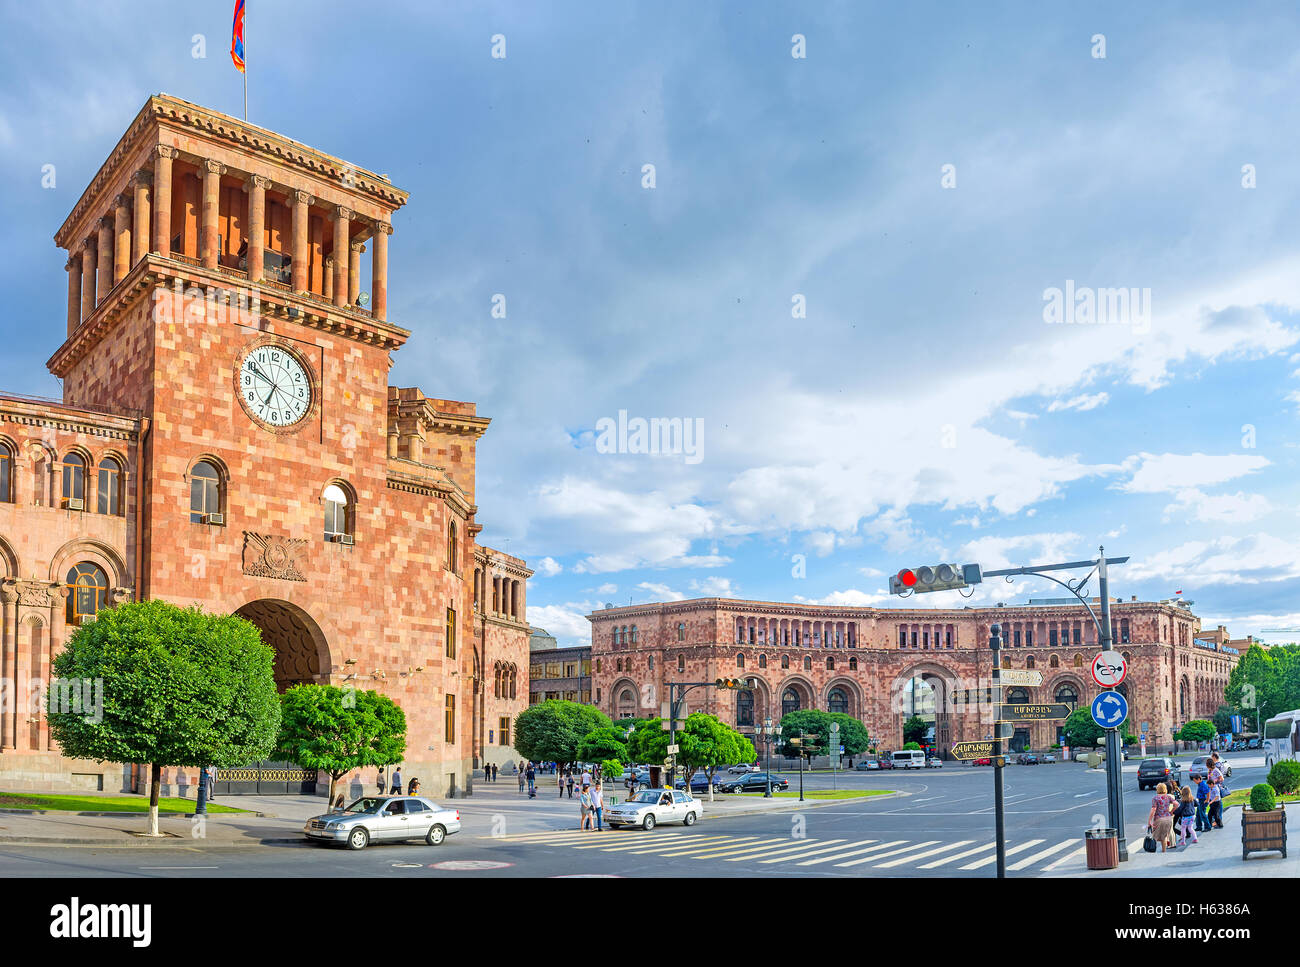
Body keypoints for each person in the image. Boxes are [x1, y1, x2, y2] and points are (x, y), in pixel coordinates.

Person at [1147, 782, 1176, 852]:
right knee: (1164, 836)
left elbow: (1153, 809)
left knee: (1155, 836)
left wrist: (1149, 821)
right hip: (1168, 819)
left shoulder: (1155, 798)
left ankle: (1153, 850)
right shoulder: (1169, 797)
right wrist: (1171, 812)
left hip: (1159, 819)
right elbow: (1177, 804)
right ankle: (1164, 851)